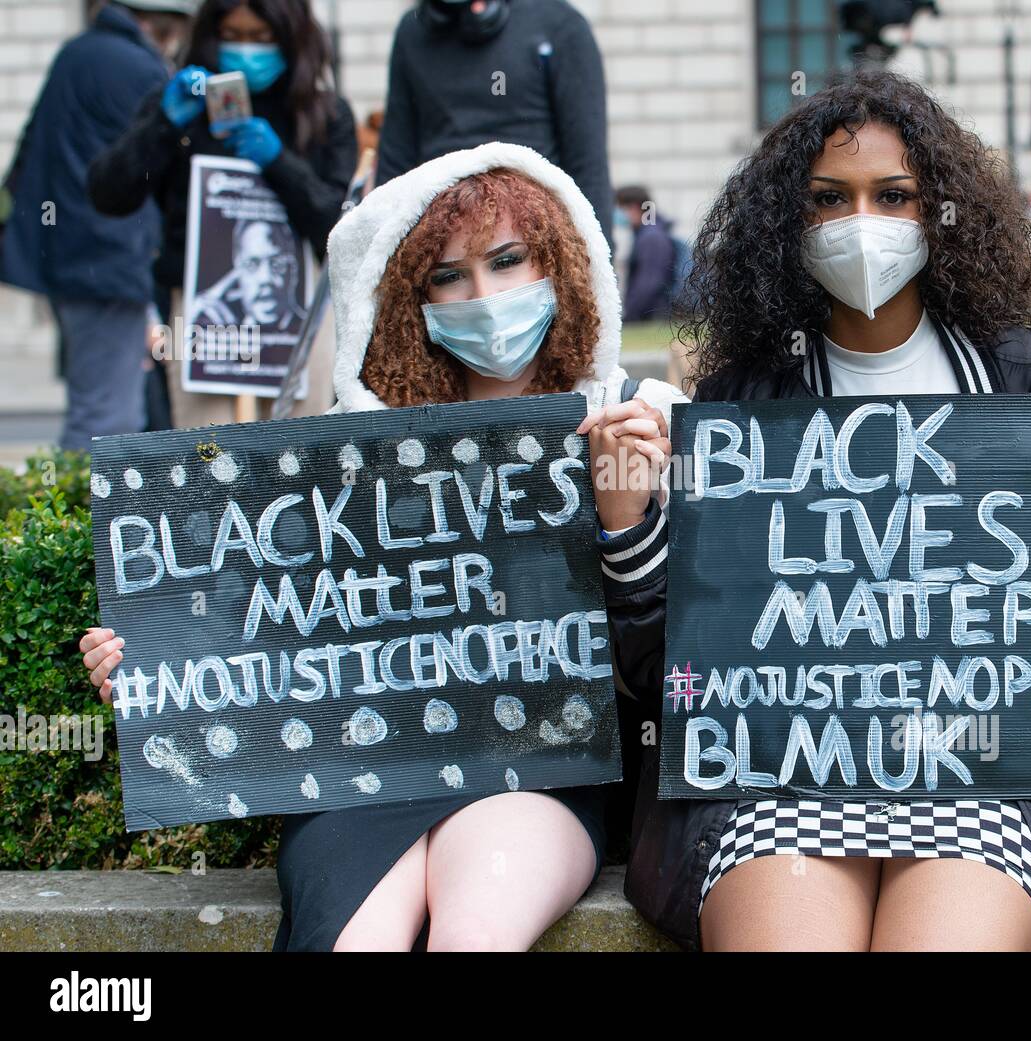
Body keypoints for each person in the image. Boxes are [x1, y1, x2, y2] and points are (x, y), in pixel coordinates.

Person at [581, 70, 1031, 952]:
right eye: (829, 199)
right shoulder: (745, 405)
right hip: (785, 778)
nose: (864, 223)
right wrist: (628, 530)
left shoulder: (1029, 385)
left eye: (894, 196)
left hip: (991, 770)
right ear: (789, 221)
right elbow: (686, 675)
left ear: (941, 214)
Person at [78, 141, 686, 951]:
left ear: (562, 263)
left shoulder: (645, 420)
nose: (486, 294)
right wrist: (163, 678)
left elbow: (684, 664)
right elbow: (268, 638)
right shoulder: (340, 458)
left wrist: (626, 521)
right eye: (448, 276)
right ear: (409, 300)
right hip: (365, 778)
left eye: (509, 261)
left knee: (475, 934)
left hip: (542, 766)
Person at [87, 0, 357, 427]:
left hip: (298, 317)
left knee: (297, 456)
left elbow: (339, 228)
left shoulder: (323, 114)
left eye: (262, 38)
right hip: (201, 320)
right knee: (208, 460)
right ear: (212, 36)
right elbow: (110, 193)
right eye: (233, 36)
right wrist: (164, 124)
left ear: (291, 38)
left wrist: (279, 163)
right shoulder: (183, 107)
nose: (246, 49)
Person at [0, 0, 196, 451]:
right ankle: (81, 520)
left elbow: (29, 156)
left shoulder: (79, 52)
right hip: (106, 259)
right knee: (110, 419)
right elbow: (148, 168)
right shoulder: (135, 66)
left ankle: (71, 517)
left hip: (71, 257)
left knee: (98, 405)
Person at [378, 0, 613, 238]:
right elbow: (394, 160)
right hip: (438, 242)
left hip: (534, 240)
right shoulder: (412, 30)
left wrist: (599, 265)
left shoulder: (562, 25)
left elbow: (588, 163)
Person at [191, 218, 307, 329]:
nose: (265, 278)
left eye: (277, 264)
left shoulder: (313, 331)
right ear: (237, 273)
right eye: (251, 265)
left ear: (293, 270)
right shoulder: (222, 324)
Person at [615, 185, 677, 323]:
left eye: (620, 208)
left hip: (654, 318)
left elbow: (648, 283)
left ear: (635, 207)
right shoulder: (649, 234)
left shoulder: (651, 237)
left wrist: (629, 318)